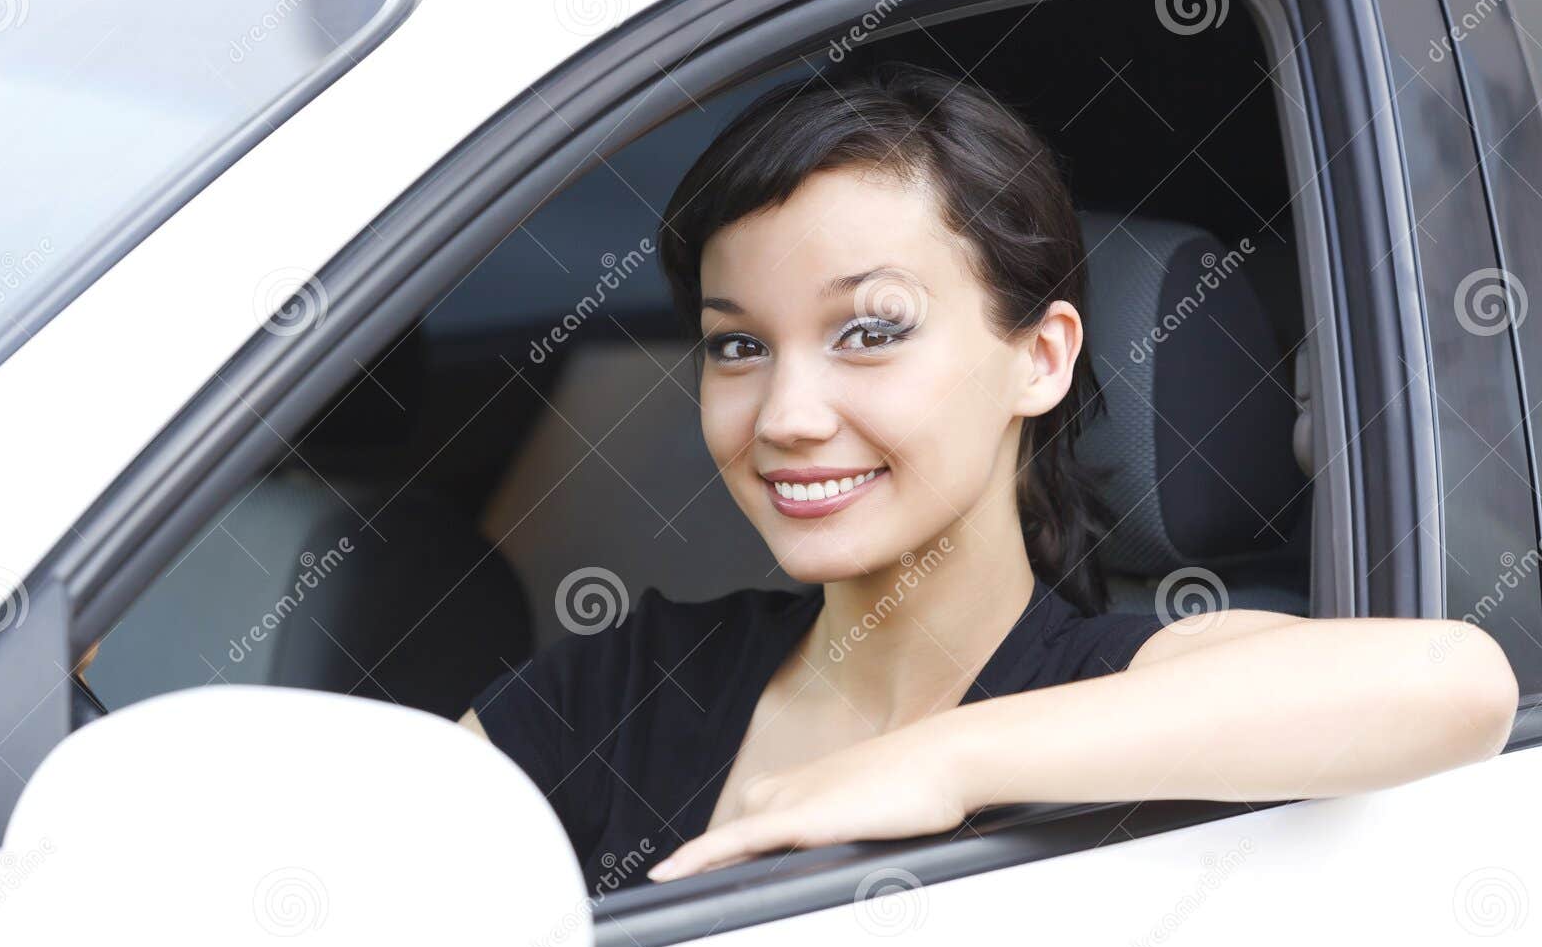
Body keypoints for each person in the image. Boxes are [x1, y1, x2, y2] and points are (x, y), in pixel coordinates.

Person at [457, 60, 1518, 886]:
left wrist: (940, 759)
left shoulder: (1124, 689)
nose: (785, 414)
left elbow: (1456, 686)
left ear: (1040, 355)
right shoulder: (618, 691)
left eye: (868, 330)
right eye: (738, 345)